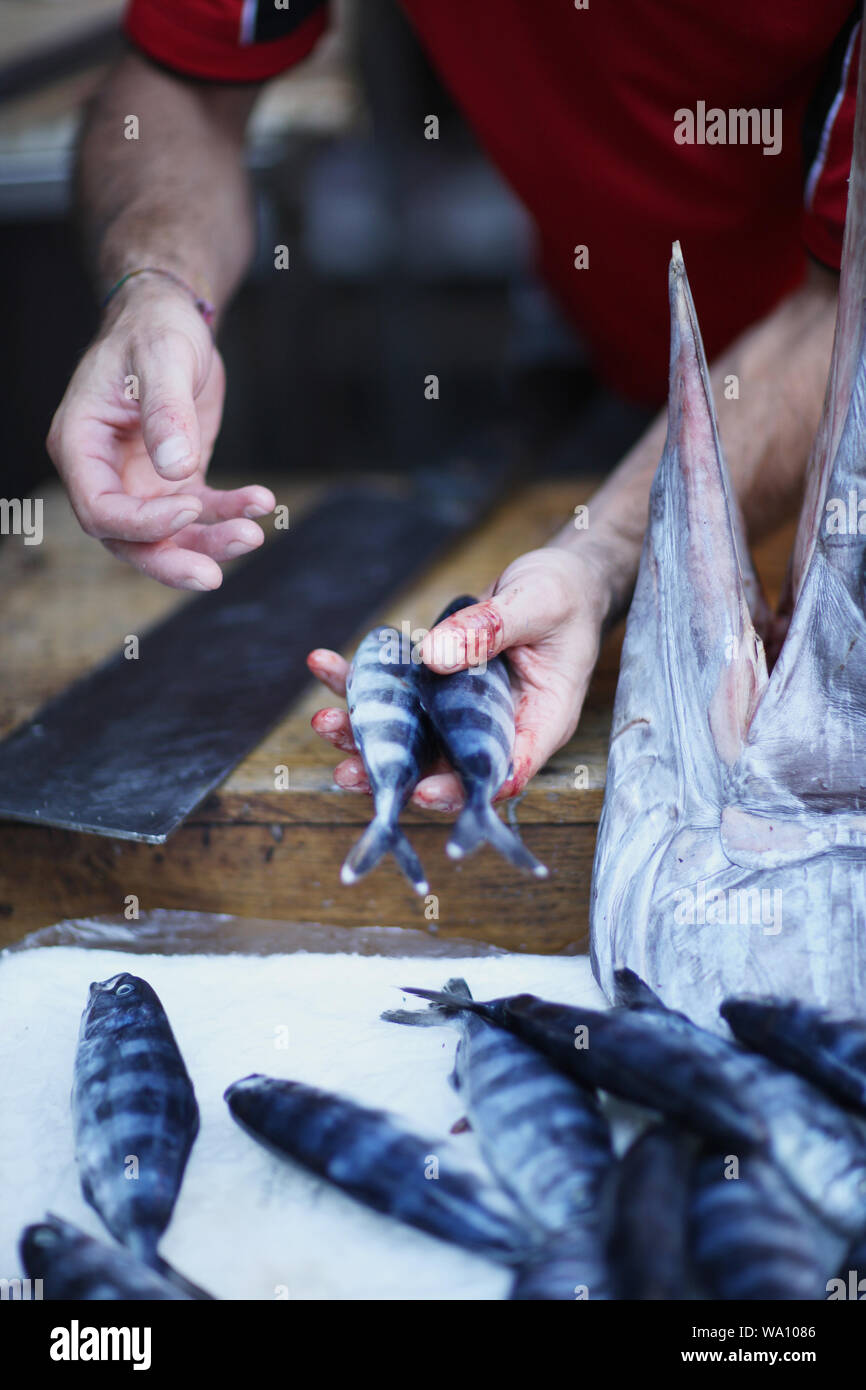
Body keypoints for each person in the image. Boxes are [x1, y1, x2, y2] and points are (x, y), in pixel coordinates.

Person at [47, 1, 859, 816]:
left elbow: (843, 315)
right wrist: (156, 290)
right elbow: (182, 84)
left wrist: (607, 548)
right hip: (609, 339)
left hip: (828, 420)